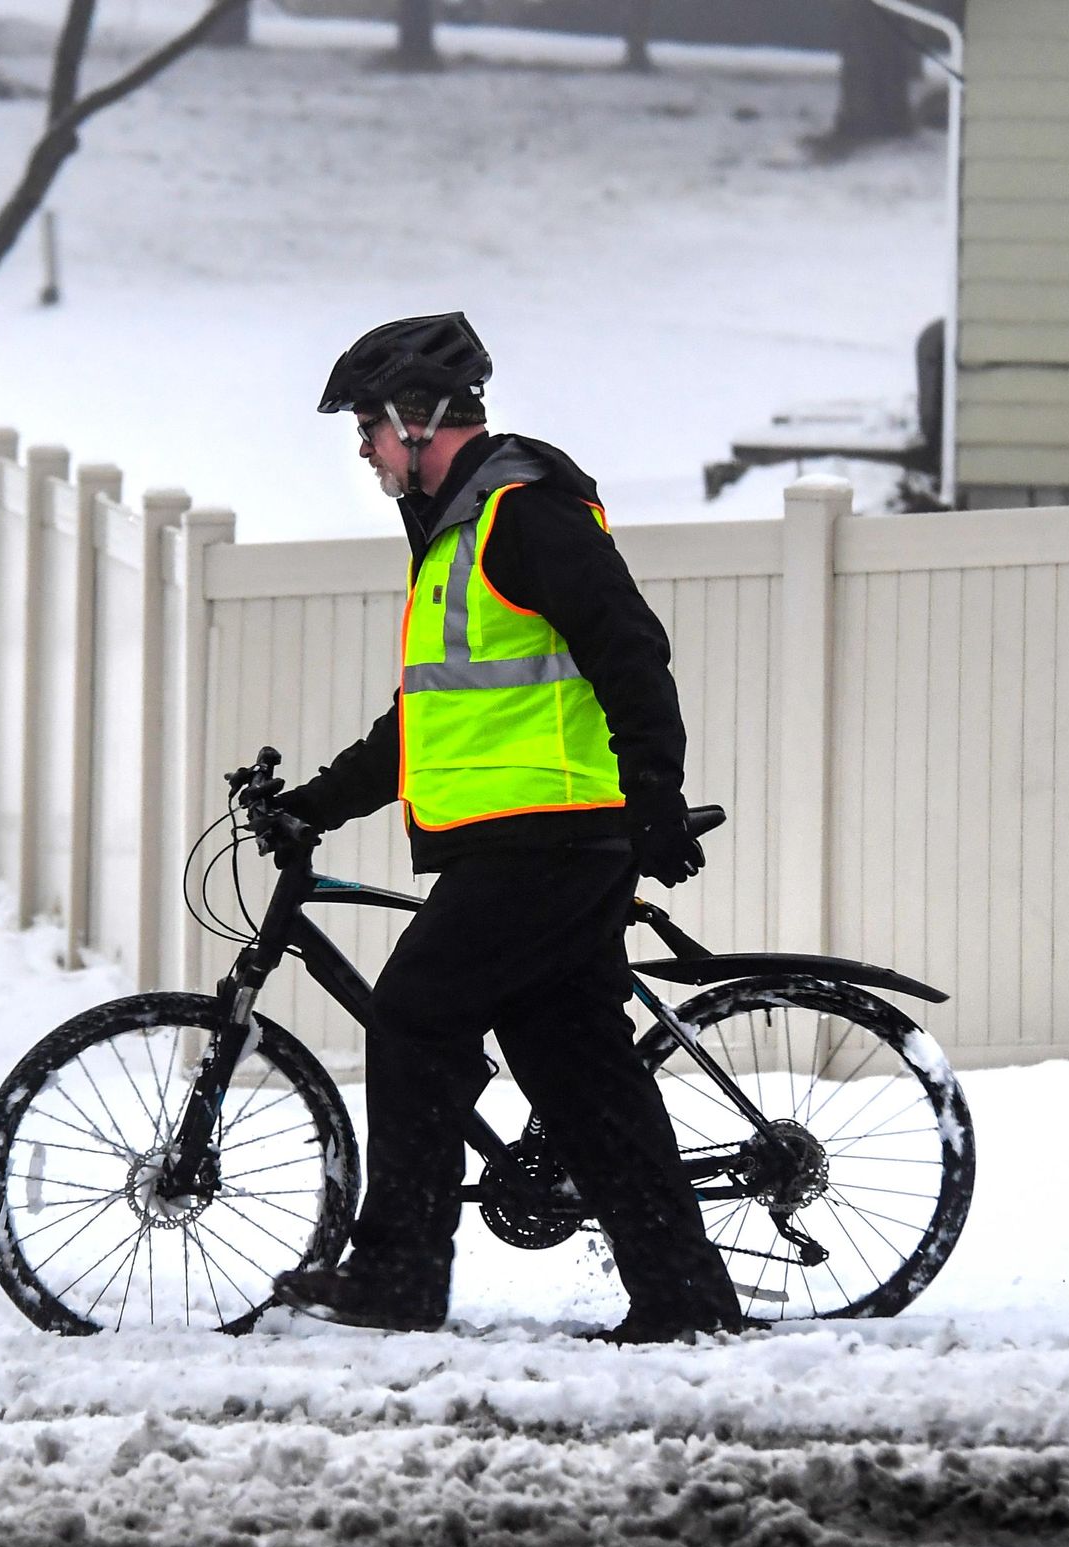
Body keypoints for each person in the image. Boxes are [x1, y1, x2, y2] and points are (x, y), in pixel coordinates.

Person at [264, 312, 747, 1345]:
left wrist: (653, 792)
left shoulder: (522, 516)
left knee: (414, 1013)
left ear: (417, 418)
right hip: (526, 840)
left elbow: (630, 648)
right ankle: (685, 1296)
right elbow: (426, 720)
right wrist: (317, 802)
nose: (363, 449)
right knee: (580, 1070)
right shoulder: (454, 535)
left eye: (367, 426)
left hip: (551, 838)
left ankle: (399, 1275)